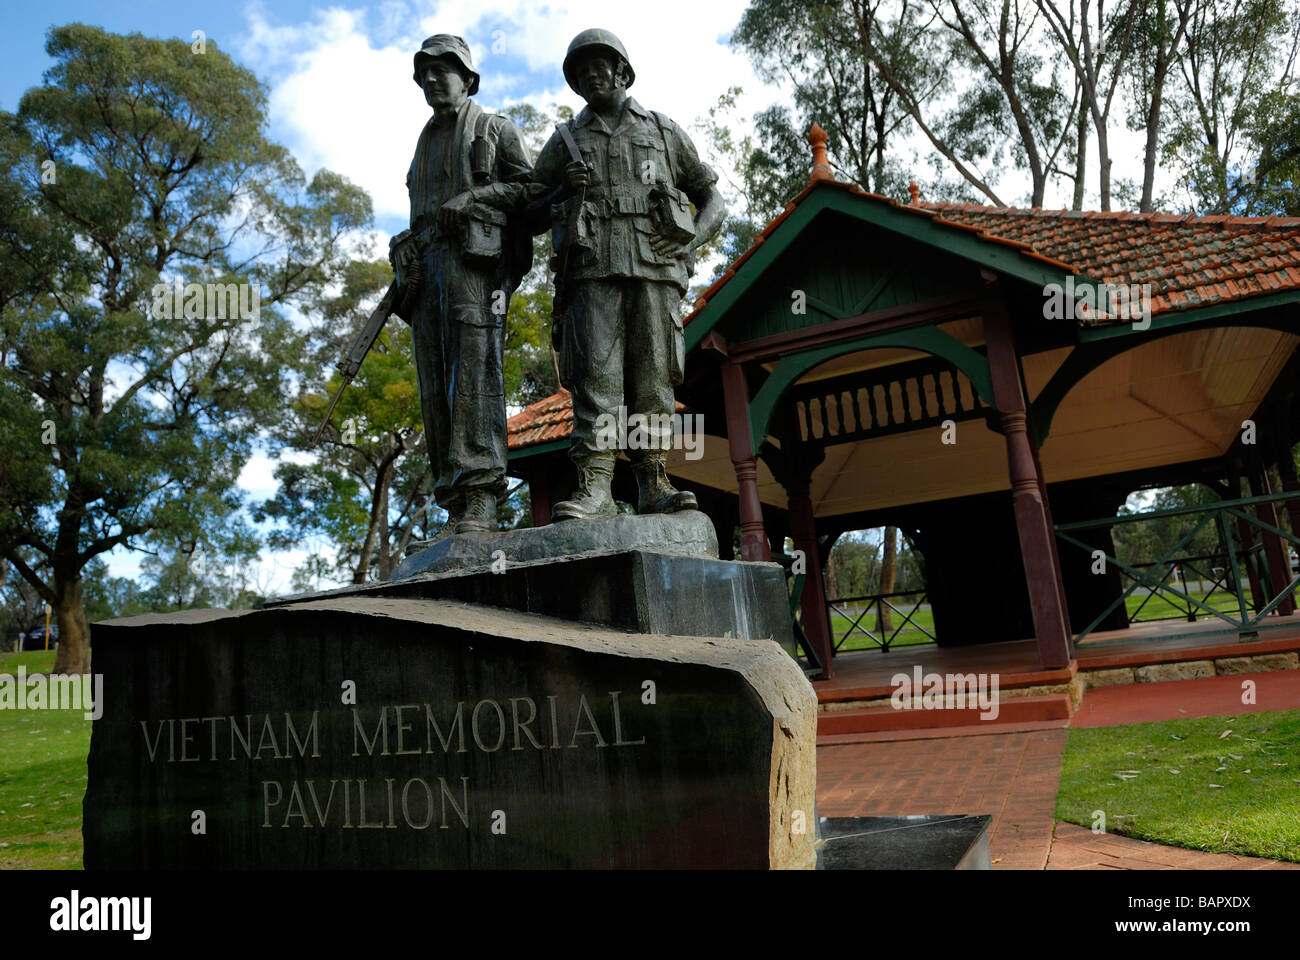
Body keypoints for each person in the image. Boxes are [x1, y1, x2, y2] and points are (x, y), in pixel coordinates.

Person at [527, 29, 726, 520]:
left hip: (656, 269)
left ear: (622, 70)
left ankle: (653, 478)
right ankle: (595, 484)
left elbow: (712, 198)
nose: (591, 74)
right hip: (591, 270)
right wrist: (558, 194)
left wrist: (692, 238)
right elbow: (527, 211)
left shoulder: (662, 130)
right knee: (597, 378)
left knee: (655, 379)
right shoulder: (565, 141)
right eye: (581, 69)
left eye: (601, 64)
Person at [390, 35, 533, 539]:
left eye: (442, 70)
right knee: (436, 385)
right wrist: (400, 245)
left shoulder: (495, 128)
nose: (431, 79)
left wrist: (475, 199)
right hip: (427, 274)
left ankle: (480, 494)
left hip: (475, 270)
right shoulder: (422, 141)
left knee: (474, 375)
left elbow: (535, 192)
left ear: (468, 79)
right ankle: (454, 499)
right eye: (424, 73)